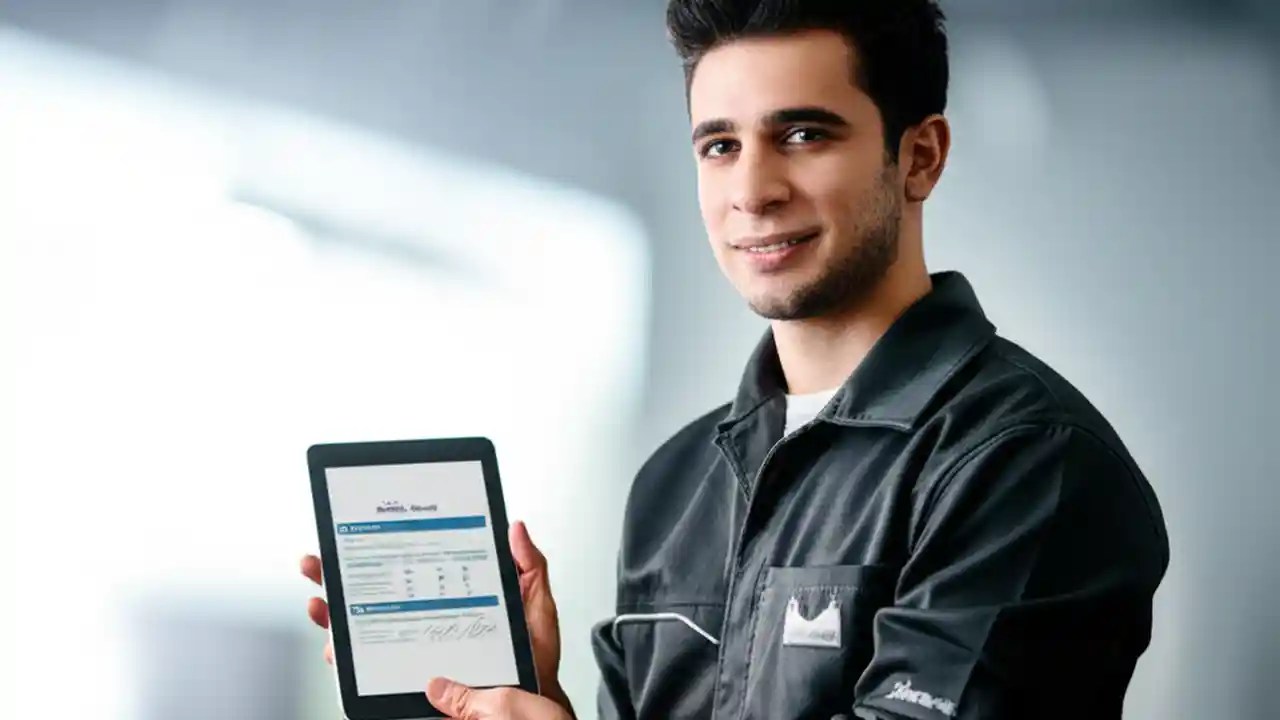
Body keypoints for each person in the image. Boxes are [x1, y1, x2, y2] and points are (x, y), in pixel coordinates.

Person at [302, 1, 1169, 717]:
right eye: (720, 145)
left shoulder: (1026, 464)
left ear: (919, 156)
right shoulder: (675, 484)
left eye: (801, 135)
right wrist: (540, 699)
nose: (752, 190)